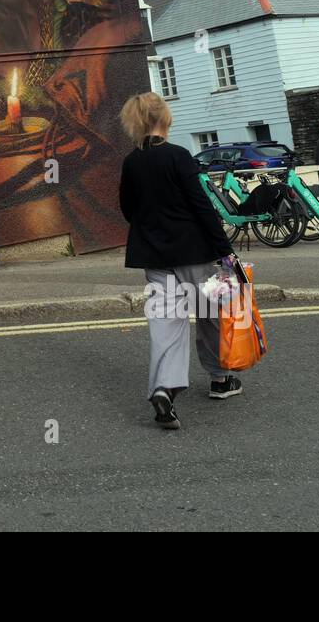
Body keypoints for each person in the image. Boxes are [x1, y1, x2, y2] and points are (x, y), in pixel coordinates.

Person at [118, 92, 243, 430]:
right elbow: (201, 206)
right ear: (165, 118)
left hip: (154, 256)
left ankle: (164, 389)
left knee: (166, 326)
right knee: (208, 316)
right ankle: (220, 380)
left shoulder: (131, 161)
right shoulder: (179, 156)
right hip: (194, 253)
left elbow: (128, 209)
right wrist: (225, 250)